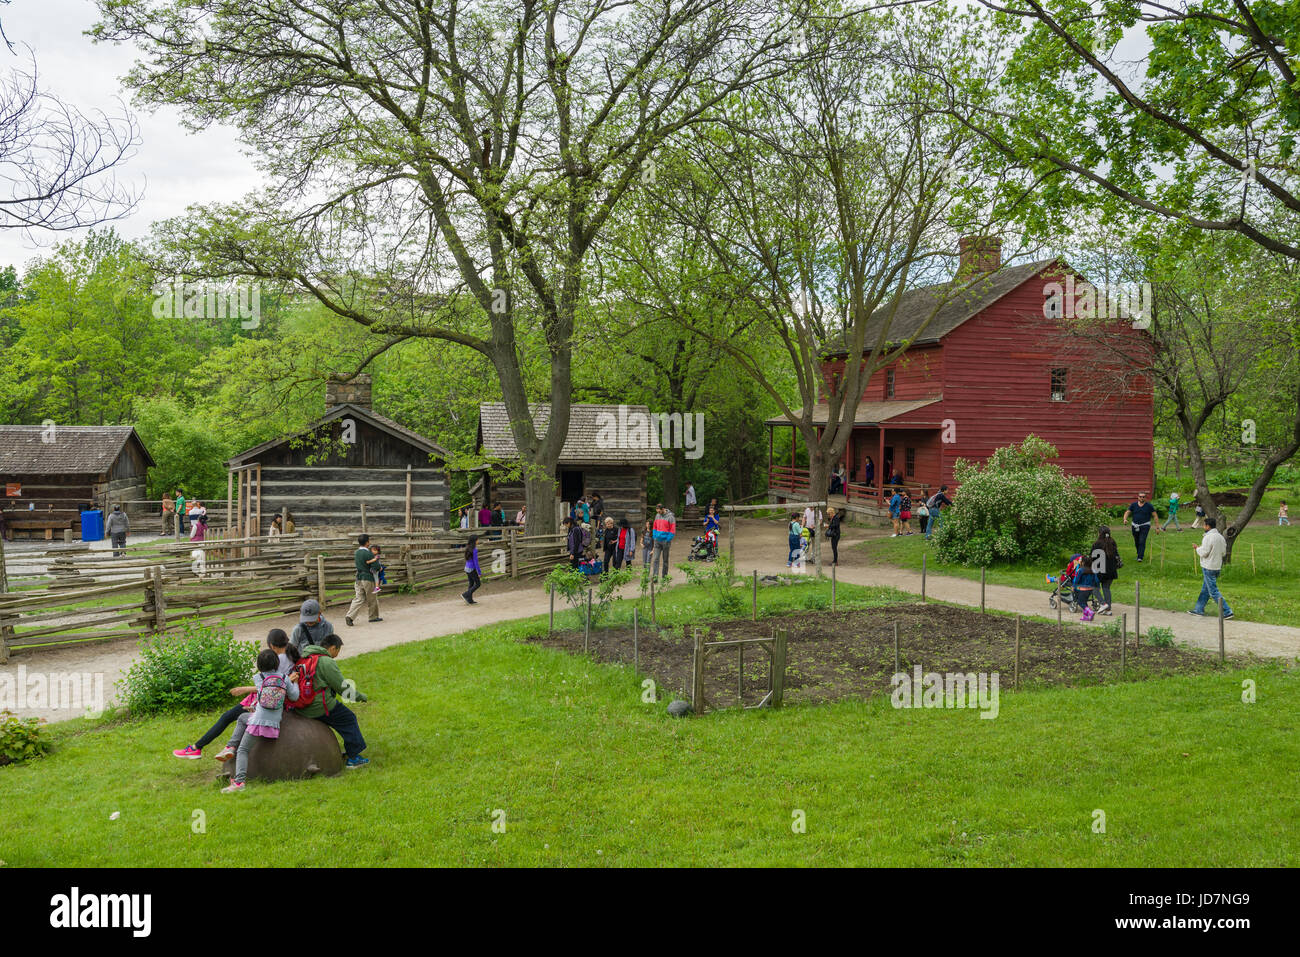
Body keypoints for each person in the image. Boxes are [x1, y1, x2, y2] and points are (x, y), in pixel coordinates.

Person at [174, 629, 295, 759]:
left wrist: (245, 689)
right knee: (229, 717)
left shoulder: (279, 659)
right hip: (270, 697)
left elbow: (271, 686)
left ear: (271, 645)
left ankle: (197, 748)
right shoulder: (290, 655)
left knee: (227, 717)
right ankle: (203, 747)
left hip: (262, 699)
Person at [219, 648, 301, 792]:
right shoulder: (284, 678)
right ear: (276, 663)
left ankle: (239, 782)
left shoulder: (259, 678)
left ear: (259, 665)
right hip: (275, 721)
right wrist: (296, 683)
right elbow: (294, 697)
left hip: (258, 721)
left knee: (243, 750)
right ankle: (230, 746)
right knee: (242, 718)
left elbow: (262, 694)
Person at [291, 633, 370, 768]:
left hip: (301, 706)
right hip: (318, 706)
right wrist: (361, 697)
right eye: (338, 650)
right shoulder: (326, 661)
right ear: (333, 648)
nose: (338, 653)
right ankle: (353, 758)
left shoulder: (305, 657)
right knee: (348, 719)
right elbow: (343, 688)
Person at [1188, 517, 1233, 619]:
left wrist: (1197, 548)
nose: (1203, 527)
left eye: (1204, 525)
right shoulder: (1220, 537)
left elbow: (1204, 552)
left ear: (1208, 526)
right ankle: (1199, 609)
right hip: (1217, 566)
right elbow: (1223, 552)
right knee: (1206, 589)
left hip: (1208, 566)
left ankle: (1227, 611)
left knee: (1213, 591)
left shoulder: (1208, 537)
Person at [345, 533, 382, 626]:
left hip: (358, 578)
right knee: (372, 598)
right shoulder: (368, 553)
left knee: (359, 598)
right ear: (367, 542)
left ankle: (350, 616)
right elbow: (376, 566)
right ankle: (373, 617)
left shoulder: (357, 552)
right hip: (368, 578)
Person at [1091, 525, 1120, 615]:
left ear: (1099, 533)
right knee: (1106, 588)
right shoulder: (1112, 542)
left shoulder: (1097, 544)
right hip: (1111, 571)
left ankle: (1103, 604)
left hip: (1101, 570)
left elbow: (1093, 558)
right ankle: (1108, 609)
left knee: (1093, 588)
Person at [1122, 491, 1156, 562]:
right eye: (1140, 496)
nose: (1142, 498)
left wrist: (1157, 527)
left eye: (1143, 497)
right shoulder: (1133, 505)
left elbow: (1155, 516)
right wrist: (1125, 519)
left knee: (1142, 540)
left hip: (1145, 525)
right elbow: (1127, 512)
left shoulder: (1149, 506)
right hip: (1135, 525)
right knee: (1136, 541)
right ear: (1138, 497)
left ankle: (1140, 557)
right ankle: (1139, 553)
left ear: (1145, 498)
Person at [651, 503, 676, 581]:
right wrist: (654, 536)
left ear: (663, 509)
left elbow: (672, 530)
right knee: (655, 559)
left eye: (659, 511)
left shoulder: (671, 517)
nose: (658, 513)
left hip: (666, 541)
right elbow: (654, 526)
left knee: (665, 560)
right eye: (657, 511)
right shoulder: (657, 515)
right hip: (657, 541)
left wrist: (668, 539)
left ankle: (664, 577)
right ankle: (655, 577)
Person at [462, 534, 482, 605]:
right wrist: (479, 572)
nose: (478, 541)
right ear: (474, 541)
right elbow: (476, 562)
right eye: (477, 540)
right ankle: (465, 594)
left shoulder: (468, 548)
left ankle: (469, 600)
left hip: (466, 568)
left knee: (471, 584)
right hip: (471, 569)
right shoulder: (474, 550)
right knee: (478, 584)